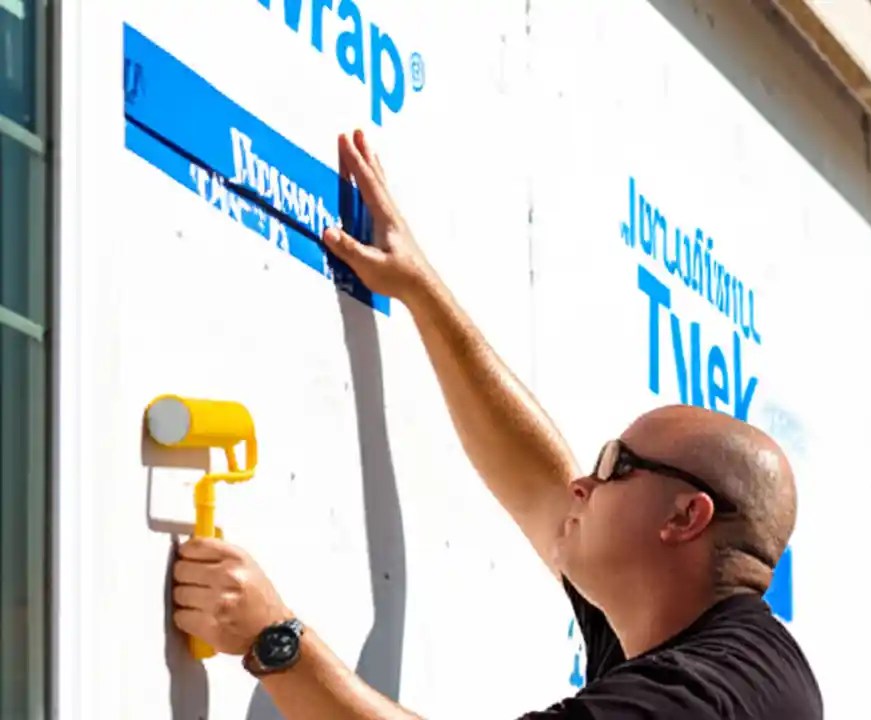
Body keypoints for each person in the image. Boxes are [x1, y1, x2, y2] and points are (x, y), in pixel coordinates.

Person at [171, 129, 823, 719]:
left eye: (611, 467)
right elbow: (537, 484)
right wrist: (421, 291)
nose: (580, 485)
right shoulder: (687, 631)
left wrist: (274, 640)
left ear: (685, 517)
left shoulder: (700, 698)